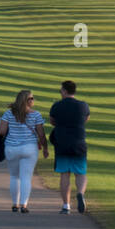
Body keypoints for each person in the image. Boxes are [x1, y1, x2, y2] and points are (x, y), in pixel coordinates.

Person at [0, 90, 48, 213]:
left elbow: (2, 131)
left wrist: (1, 124)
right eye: (32, 98)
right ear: (26, 100)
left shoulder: (9, 113)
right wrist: (45, 148)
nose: (33, 100)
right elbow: (41, 134)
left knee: (14, 176)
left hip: (11, 147)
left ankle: (15, 204)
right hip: (30, 148)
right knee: (26, 177)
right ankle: (24, 205)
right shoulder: (36, 115)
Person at [49, 80, 91, 213]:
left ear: (65, 91)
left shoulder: (57, 106)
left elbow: (52, 121)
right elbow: (86, 119)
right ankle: (80, 193)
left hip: (62, 142)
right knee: (80, 173)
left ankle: (66, 205)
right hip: (78, 142)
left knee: (65, 174)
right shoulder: (83, 106)